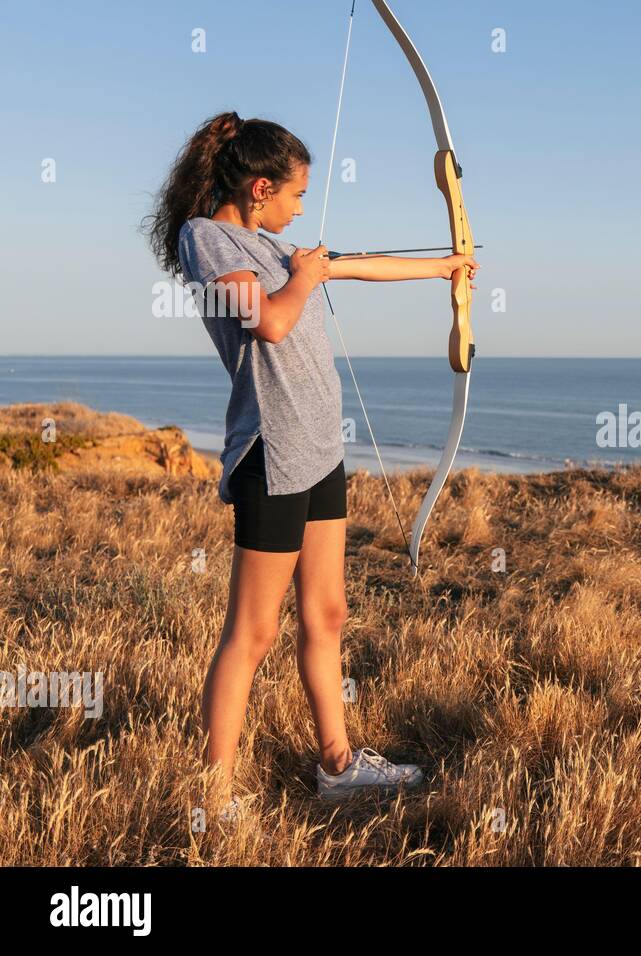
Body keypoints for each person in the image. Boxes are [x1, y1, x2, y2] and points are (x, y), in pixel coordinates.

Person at [144, 111, 478, 818]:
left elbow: (353, 266)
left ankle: (337, 764)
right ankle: (213, 794)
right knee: (253, 631)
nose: (301, 207)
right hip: (271, 453)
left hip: (321, 449)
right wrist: (301, 276)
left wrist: (447, 265)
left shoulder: (272, 245)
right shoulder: (205, 239)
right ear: (260, 187)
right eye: (295, 194)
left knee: (328, 612)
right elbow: (269, 320)